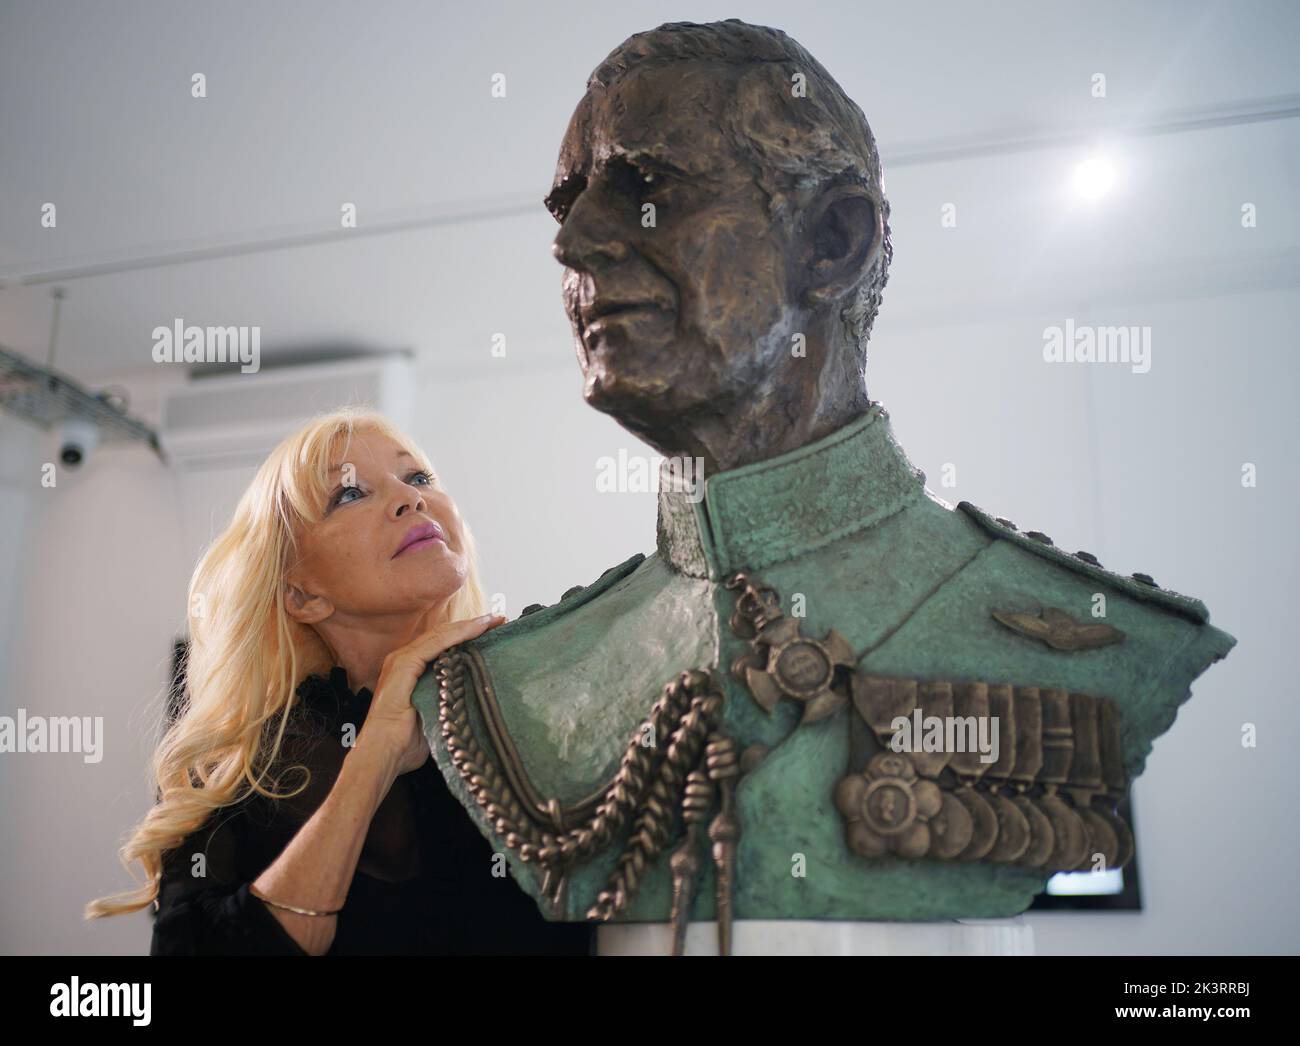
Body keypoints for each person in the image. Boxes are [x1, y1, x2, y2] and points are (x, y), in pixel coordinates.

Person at [86, 407, 595, 956]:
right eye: (350, 494)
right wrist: (375, 755)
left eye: (417, 477)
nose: (411, 497)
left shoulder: (535, 710)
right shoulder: (229, 771)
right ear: (303, 594)